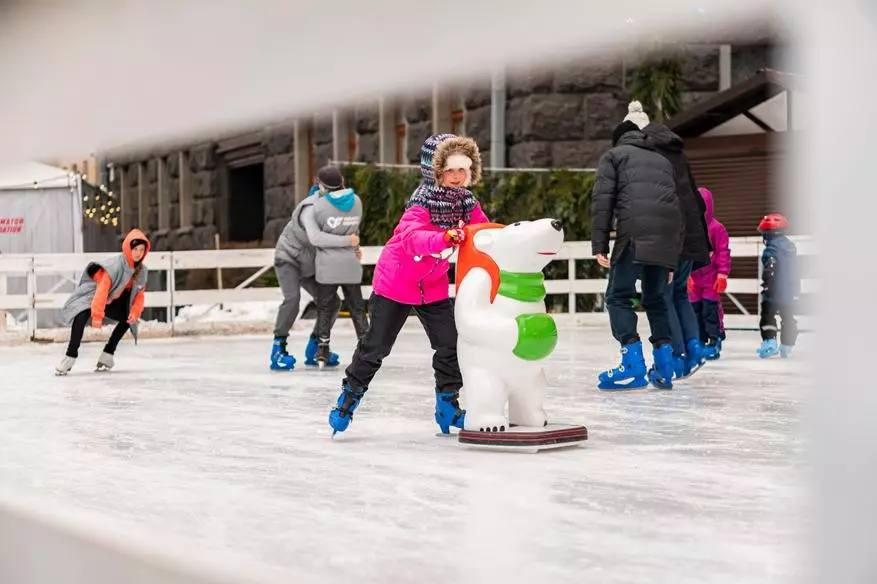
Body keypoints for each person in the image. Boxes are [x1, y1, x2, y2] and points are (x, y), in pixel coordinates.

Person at [329, 133, 489, 435]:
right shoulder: (421, 203)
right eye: (450, 170)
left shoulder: (468, 202)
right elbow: (410, 238)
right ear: (435, 171)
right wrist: (443, 237)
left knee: (449, 345)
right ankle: (348, 398)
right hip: (396, 284)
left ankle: (447, 405)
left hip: (433, 286)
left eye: (462, 170)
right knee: (376, 348)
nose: (456, 177)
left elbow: (484, 232)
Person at [591, 117, 683, 390]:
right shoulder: (663, 161)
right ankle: (665, 367)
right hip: (666, 238)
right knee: (655, 299)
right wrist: (671, 261)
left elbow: (602, 201)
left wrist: (599, 245)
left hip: (634, 234)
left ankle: (632, 364)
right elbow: (676, 208)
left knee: (618, 297)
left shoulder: (614, 156)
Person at [630, 102, 712, 379]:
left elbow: (655, 200)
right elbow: (693, 198)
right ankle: (694, 347)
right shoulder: (676, 149)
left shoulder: (645, 151)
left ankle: (675, 357)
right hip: (691, 234)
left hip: (668, 234)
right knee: (679, 294)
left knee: (662, 296)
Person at [270, 175, 353, 371]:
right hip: (289, 259)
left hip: (308, 266)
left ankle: (315, 348)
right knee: (292, 298)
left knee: (332, 302)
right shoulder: (309, 209)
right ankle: (278, 350)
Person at [56, 229, 150, 375]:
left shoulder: (141, 271)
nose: (138, 253)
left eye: (141, 250)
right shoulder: (116, 266)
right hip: (94, 295)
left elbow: (139, 296)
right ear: (128, 248)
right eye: (135, 249)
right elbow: (101, 292)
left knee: (128, 319)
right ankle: (69, 357)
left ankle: (107, 355)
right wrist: (97, 317)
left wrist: (134, 312)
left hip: (112, 300)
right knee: (80, 316)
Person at [309, 165, 370, 367]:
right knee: (357, 307)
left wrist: (343, 241)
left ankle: (323, 348)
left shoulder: (319, 206)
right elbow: (354, 232)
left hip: (328, 265)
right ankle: (367, 345)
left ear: (323, 185)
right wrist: (353, 244)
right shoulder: (357, 202)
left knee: (325, 307)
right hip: (350, 264)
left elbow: (317, 238)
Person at [688, 187, 731, 360]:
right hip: (693, 280)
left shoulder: (716, 228)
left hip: (711, 280)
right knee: (694, 311)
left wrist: (722, 274)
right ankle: (699, 340)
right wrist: (686, 276)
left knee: (710, 310)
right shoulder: (687, 229)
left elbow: (723, 252)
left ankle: (714, 339)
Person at [756, 213, 799, 358]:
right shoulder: (791, 247)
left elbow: (771, 267)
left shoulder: (771, 249)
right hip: (789, 290)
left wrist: (768, 284)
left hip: (774, 290)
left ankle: (770, 343)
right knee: (788, 316)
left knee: (767, 315)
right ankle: (787, 345)